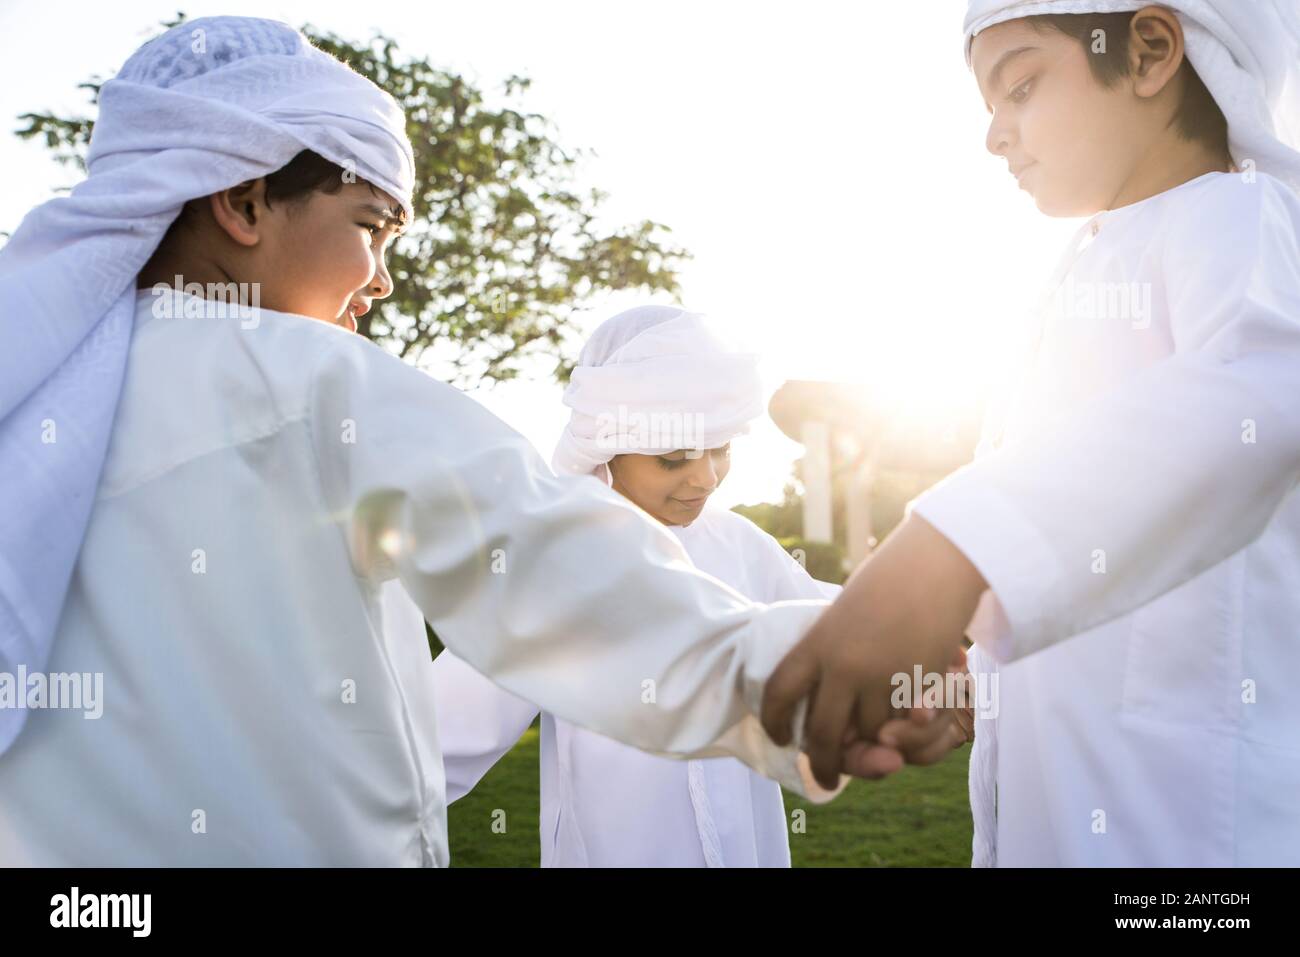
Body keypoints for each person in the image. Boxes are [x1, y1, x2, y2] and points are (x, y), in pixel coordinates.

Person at [0, 17, 938, 865]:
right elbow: (543, 560)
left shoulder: (36, 422)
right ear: (244, 203)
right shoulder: (312, 382)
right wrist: (822, 690)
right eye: (372, 227)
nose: (383, 280)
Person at [763, 0, 1300, 866]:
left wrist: (949, 552)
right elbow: (1078, 559)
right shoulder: (1071, 283)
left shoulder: (1237, 220)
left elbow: (1259, 395)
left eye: (1019, 86)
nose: (995, 137)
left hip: (1193, 840)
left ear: (1152, 49)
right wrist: (976, 668)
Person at [430, 306, 846, 866]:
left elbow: (839, 625)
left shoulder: (738, 543)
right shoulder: (556, 568)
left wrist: (937, 652)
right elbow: (432, 739)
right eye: (673, 459)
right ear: (608, 450)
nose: (705, 478)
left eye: (721, 448)